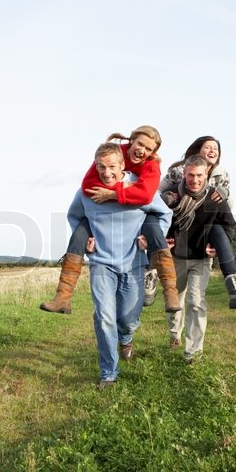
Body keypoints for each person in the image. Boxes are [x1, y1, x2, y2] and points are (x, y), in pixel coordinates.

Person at [40, 125, 180, 315]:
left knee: (154, 228)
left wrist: (112, 193)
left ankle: (170, 291)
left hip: (142, 210)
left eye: (149, 149)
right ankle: (63, 297)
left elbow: (146, 195)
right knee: (79, 232)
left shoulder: (151, 164)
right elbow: (86, 186)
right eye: (140, 144)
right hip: (104, 229)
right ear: (131, 140)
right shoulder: (110, 154)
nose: (142, 150)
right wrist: (89, 237)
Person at [66, 143, 172, 387]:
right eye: (101, 167)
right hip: (101, 262)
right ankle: (108, 373)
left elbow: (165, 214)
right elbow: (74, 216)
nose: (107, 172)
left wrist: (151, 239)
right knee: (104, 317)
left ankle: (126, 337)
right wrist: (86, 241)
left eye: (112, 166)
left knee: (127, 318)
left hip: (133, 262)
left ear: (122, 165)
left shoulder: (138, 187)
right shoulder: (88, 190)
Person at [150, 135, 236, 309]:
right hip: (180, 222)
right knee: (154, 222)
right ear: (197, 151)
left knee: (218, 228)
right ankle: (151, 274)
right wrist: (167, 198)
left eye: (216, 148)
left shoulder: (222, 174)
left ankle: (235, 287)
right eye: (208, 147)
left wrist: (223, 193)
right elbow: (156, 196)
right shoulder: (178, 170)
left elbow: (227, 209)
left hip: (205, 226)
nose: (213, 150)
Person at [163, 155, 236, 363]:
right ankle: (175, 333)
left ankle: (193, 352)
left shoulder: (214, 198)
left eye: (199, 175)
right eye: (191, 175)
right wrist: (164, 239)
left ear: (206, 176)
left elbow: (228, 226)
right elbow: (159, 220)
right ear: (184, 173)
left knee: (195, 301)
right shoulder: (172, 196)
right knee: (176, 301)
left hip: (201, 258)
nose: (195, 180)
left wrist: (216, 247)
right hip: (176, 258)